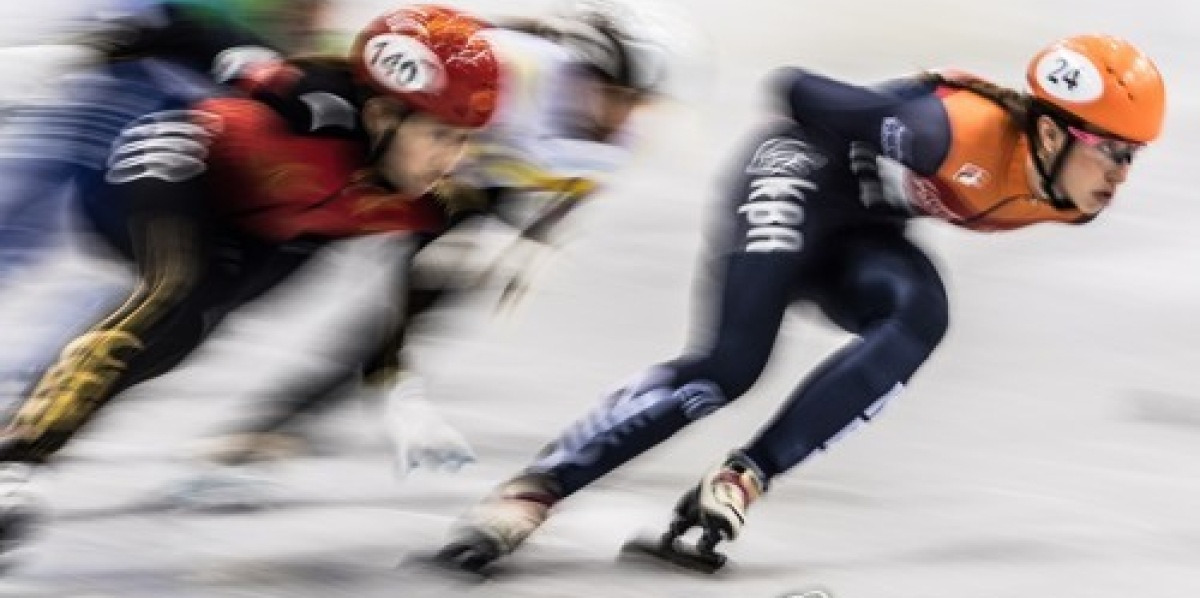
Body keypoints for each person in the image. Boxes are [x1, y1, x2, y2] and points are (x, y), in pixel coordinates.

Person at [432, 33, 1167, 573]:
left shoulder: (1070, 198)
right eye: (1112, 150)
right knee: (730, 368)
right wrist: (896, 104)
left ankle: (741, 478)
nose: (1121, 174)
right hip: (792, 180)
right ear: (1050, 131)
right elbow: (794, 90)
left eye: (1133, 155)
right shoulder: (944, 133)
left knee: (920, 315)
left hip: (858, 230)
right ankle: (532, 492)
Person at [0, 3, 502, 557]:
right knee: (174, 295)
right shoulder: (309, 102)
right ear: (383, 116)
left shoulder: (447, 201)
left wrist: (391, 386)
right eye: (439, 136)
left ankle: (24, 438)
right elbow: (192, 26)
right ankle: (17, 461)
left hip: (259, 229)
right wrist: (82, 51)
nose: (450, 161)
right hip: (171, 166)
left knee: (181, 338)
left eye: (463, 140)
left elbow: (403, 307)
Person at [170, 0, 684, 499]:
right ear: (580, 71)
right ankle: (170, 328)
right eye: (616, 95)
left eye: (637, 102)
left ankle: (265, 435)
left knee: (396, 334)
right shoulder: (514, 65)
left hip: (470, 195)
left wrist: (532, 245)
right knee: (276, 272)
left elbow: (579, 185)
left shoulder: (624, 139)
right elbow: (394, 67)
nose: (623, 114)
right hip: (403, 164)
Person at [0, 0, 342, 383]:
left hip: (159, 124)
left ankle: (47, 371)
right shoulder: (237, 9)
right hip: (138, 106)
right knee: (29, 225)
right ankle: (47, 370)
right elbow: (169, 17)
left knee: (124, 269)